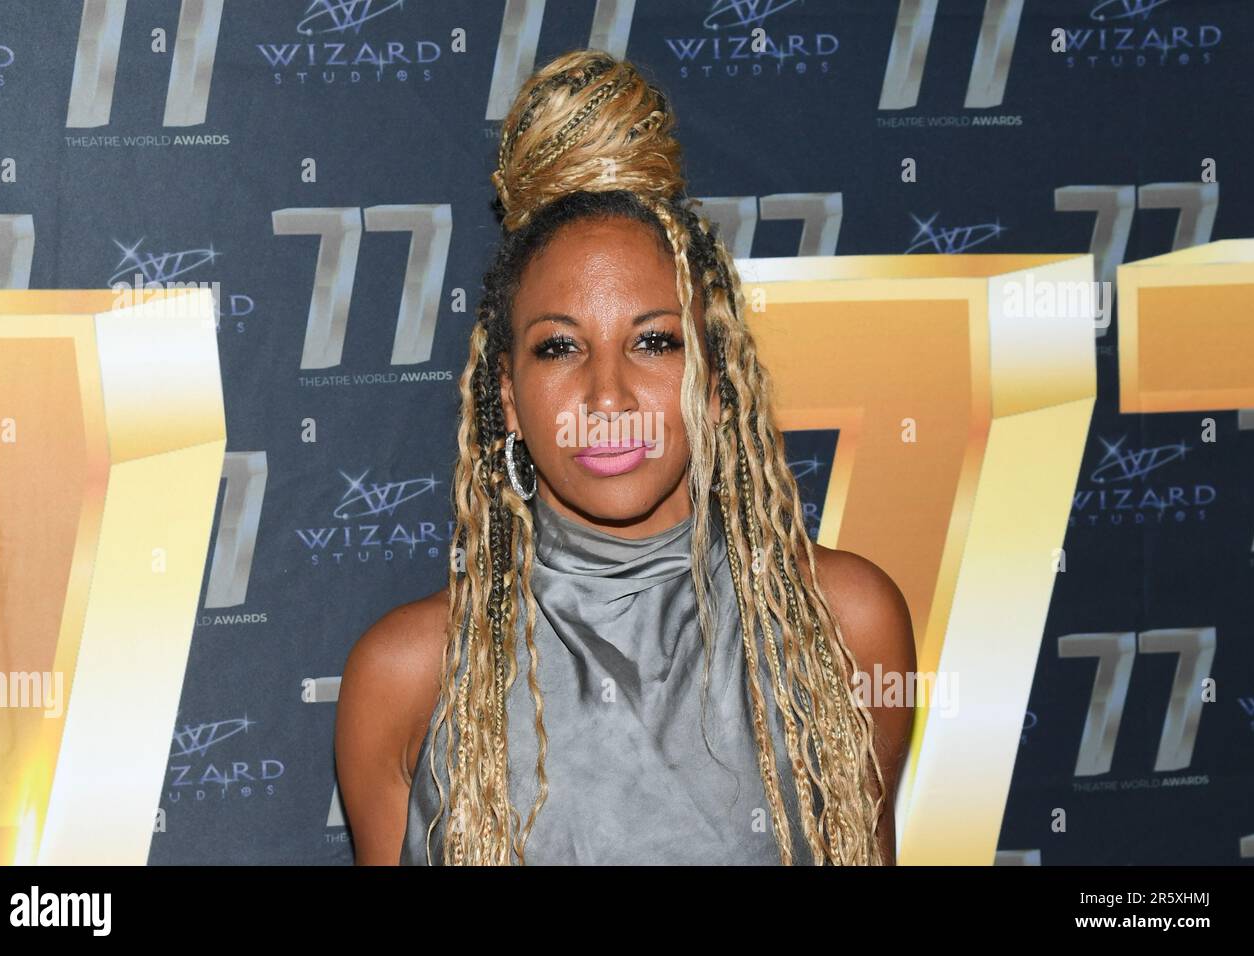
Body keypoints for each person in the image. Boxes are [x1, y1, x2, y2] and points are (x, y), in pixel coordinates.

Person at [335, 49, 916, 866]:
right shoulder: (408, 678)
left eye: (653, 341)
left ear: (716, 378)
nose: (608, 398)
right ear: (506, 396)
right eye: (560, 347)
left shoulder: (846, 627)